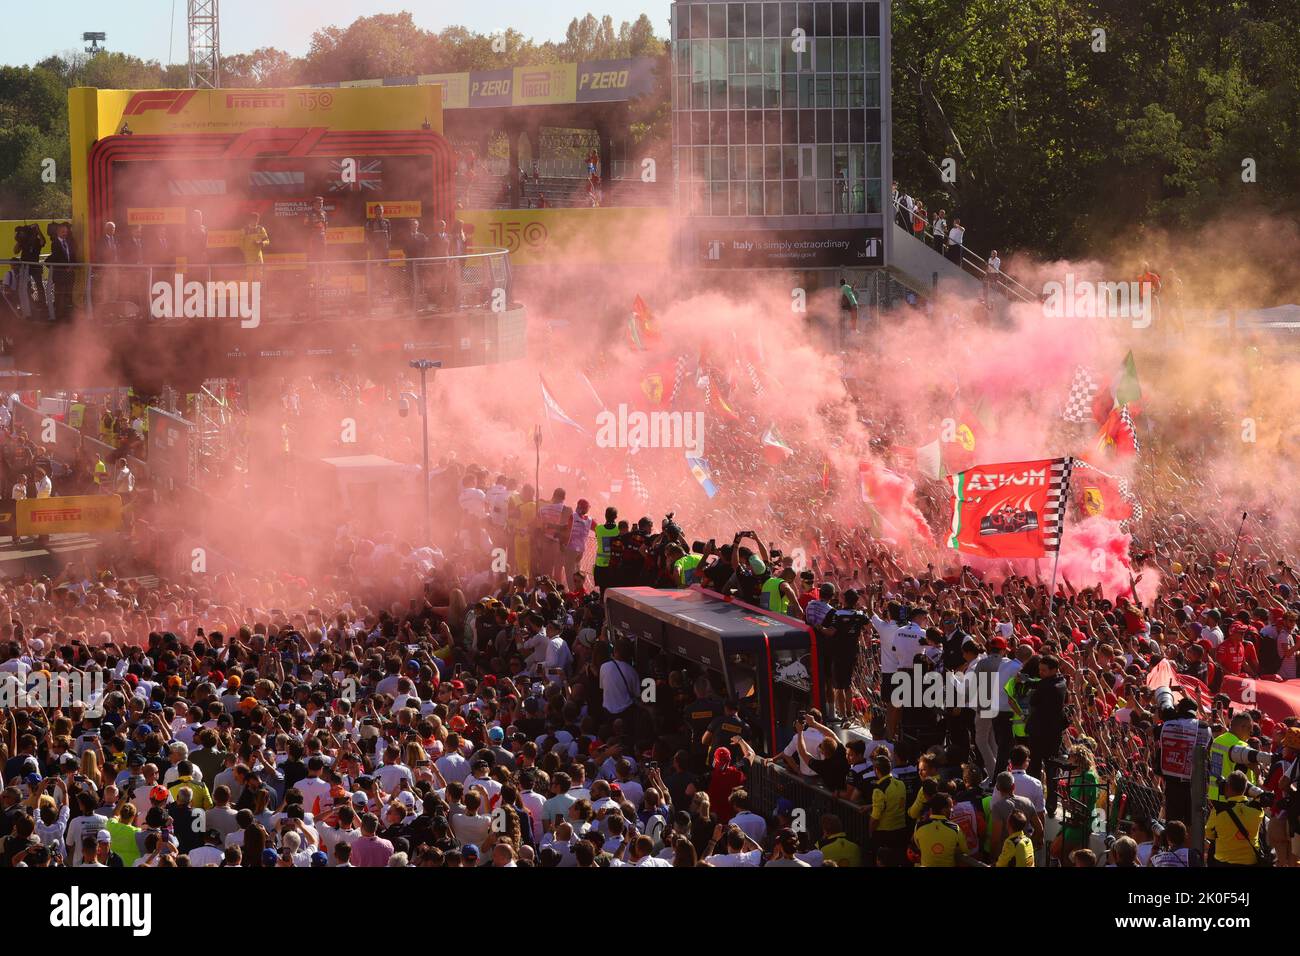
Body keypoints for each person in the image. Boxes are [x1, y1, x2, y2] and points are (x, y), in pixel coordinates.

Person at [819, 588, 867, 725]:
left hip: (839, 653)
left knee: (839, 687)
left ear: (845, 600)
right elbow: (868, 626)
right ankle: (850, 714)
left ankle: (844, 716)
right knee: (848, 684)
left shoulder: (837, 614)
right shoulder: (860, 614)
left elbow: (830, 632)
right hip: (853, 653)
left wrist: (819, 628)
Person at [1205, 771, 1265, 867]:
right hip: (1250, 862)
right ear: (1246, 788)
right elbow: (1260, 796)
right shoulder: (1257, 810)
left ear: (1227, 787)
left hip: (1224, 862)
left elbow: (1209, 834)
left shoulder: (1218, 811)